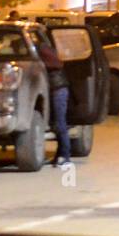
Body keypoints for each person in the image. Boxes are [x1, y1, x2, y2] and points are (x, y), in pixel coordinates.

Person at [36, 37, 71, 167]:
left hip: (57, 89)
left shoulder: (42, 49)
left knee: (60, 123)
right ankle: (61, 154)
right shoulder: (44, 47)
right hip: (55, 89)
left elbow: (57, 64)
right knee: (56, 123)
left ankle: (65, 155)